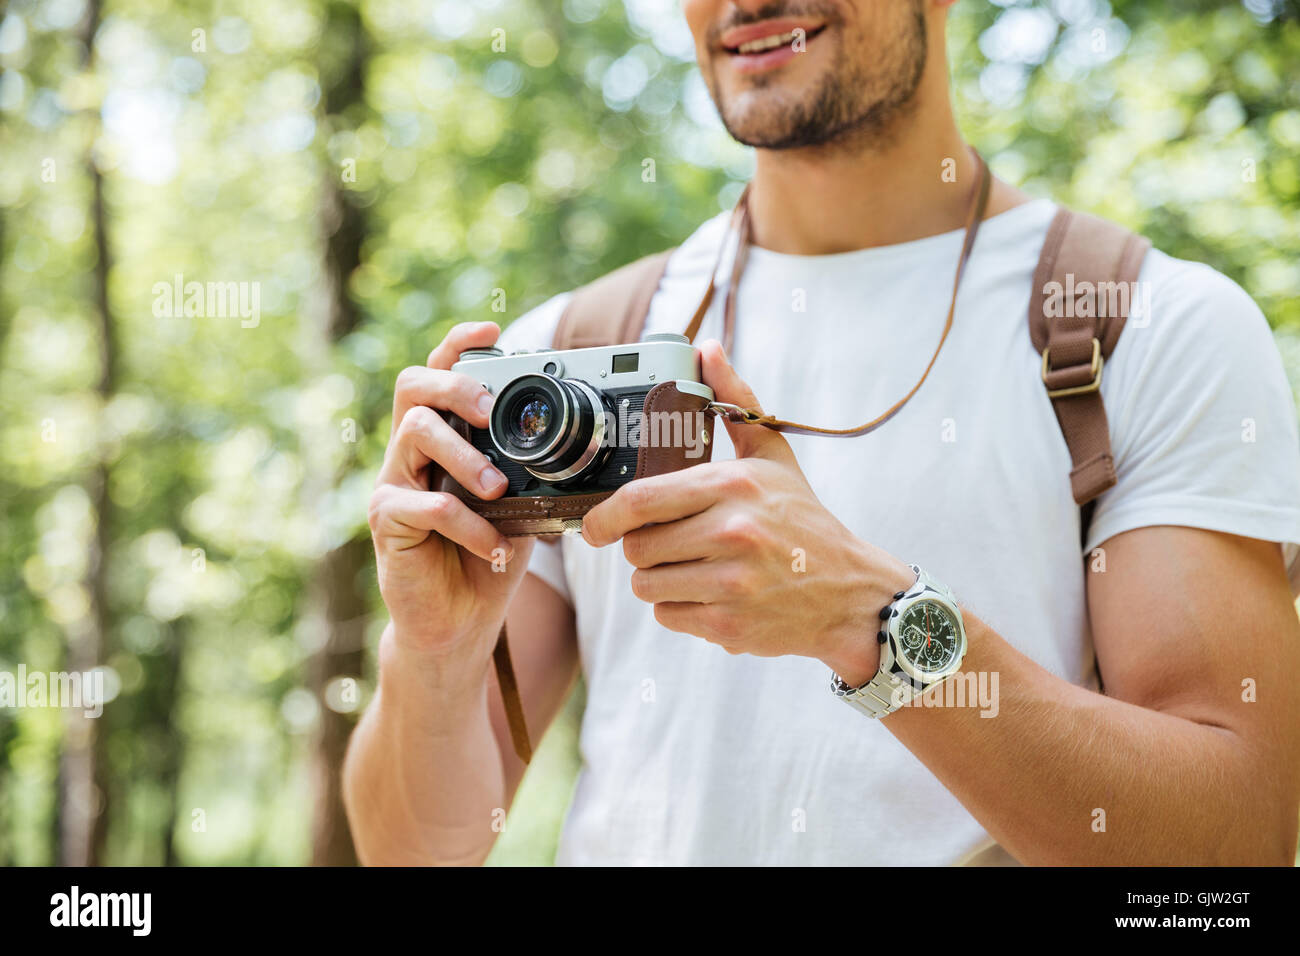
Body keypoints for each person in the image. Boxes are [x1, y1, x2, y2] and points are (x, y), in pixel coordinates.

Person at [343, 0, 1300, 865]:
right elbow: (412, 853)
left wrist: (872, 623)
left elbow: (1236, 845)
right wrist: (431, 657)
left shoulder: (1148, 325)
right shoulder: (567, 357)